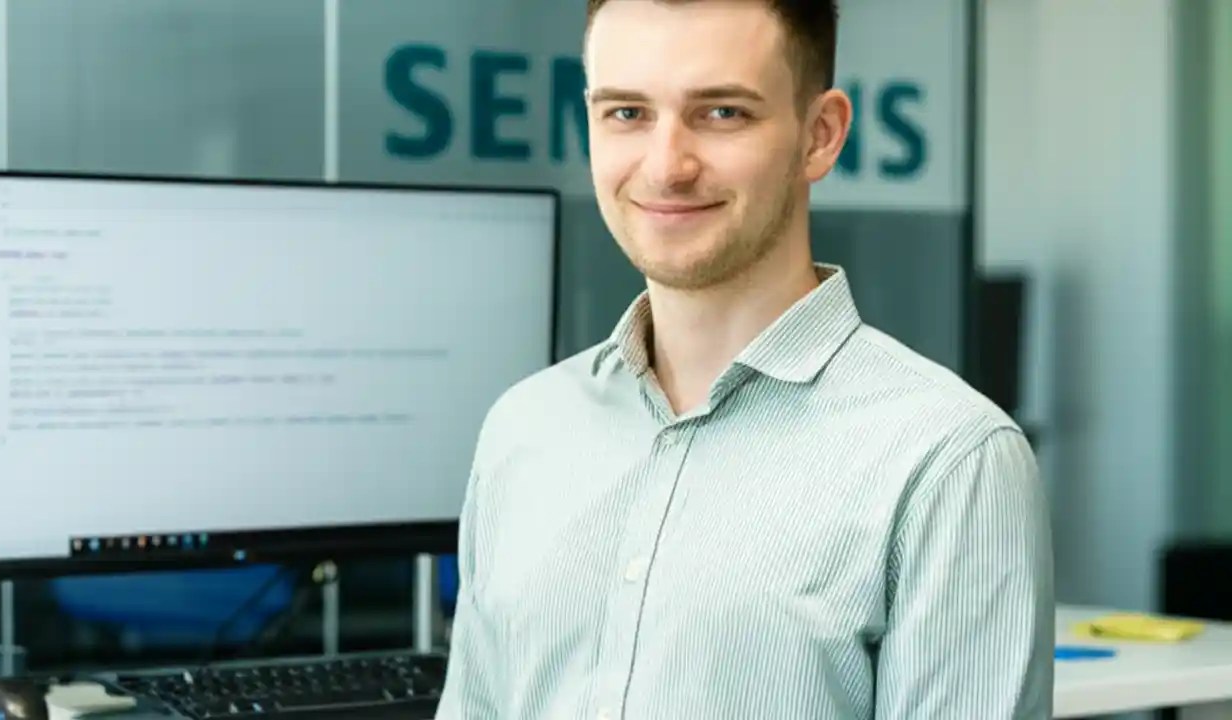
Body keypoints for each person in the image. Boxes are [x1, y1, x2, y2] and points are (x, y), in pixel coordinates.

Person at [435, 0, 1055, 717]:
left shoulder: (947, 460)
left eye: (722, 113)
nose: (667, 167)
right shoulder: (525, 429)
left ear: (820, 136)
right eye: (627, 113)